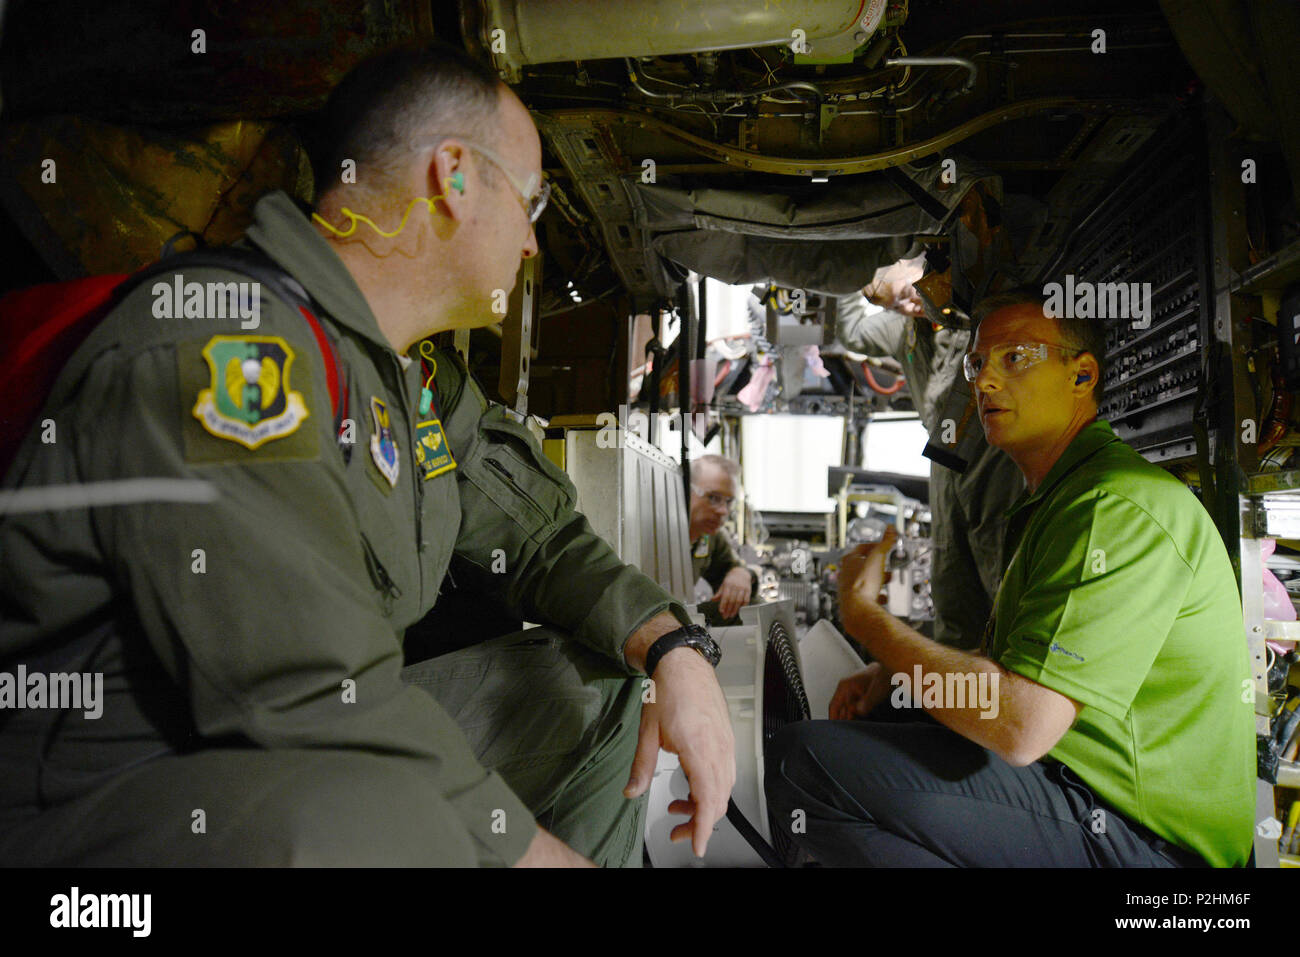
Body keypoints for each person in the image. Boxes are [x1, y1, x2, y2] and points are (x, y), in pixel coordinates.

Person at [0, 43, 735, 867]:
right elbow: (308, 691)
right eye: (530, 201)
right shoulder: (231, 347)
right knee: (371, 813)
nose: (533, 245)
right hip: (111, 797)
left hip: (283, 755)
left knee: (590, 691)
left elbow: (541, 538)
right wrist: (530, 852)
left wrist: (673, 649)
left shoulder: (406, 379)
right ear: (453, 177)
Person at [766, 289, 1256, 867]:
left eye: (1016, 357)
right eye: (978, 364)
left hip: (1153, 849)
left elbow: (1022, 725)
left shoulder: (1116, 507)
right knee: (894, 707)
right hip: (1090, 794)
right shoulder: (1060, 500)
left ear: (1082, 377)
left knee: (801, 762)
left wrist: (866, 619)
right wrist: (889, 672)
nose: (985, 382)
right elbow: (1013, 674)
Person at [838, 257, 1024, 649]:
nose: (908, 307)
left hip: (993, 448)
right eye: (894, 306)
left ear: (910, 261)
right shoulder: (906, 330)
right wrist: (846, 267)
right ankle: (962, 686)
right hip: (943, 457)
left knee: (999, 560)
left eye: (905, 294)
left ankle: (1019, 669)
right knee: (951, 580)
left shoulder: (974, 299)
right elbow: (851, 331)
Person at [689, 454, 755, 623]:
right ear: (685, 490)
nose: (723, 511)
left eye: (729, 502)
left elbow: (731, 566)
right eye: (713, 498)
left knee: (749, 606)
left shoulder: (711, 537)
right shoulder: (659, 533)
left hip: (678, 619)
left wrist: (741, 573)